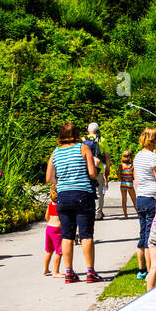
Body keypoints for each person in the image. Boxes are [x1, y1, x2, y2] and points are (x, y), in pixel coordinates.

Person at [46, 121, 101, 284]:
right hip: (82, 194)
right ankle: (90, 272)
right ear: (77, 134)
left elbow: (49, 178)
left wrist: (63, 180)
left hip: (63, 197)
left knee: (67, 235)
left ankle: (69, 272)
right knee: (86, 234)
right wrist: (94, 166)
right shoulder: (83, 148)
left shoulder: (55, 152)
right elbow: (92, 173)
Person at [133, 128, 156, 281]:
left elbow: (137, 179)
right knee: (151, 238)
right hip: (152, 197)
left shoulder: (138, 156)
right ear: (154, 140)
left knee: (143, 233)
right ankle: (153, 272)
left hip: (141, 197)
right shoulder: (153, 158)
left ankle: (143, 269)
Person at [85, 122, 110, 220]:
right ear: (97, 130)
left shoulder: (83, 140)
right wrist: (107, 169)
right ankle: (98, 214)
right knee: (99, 193)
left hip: (86, 170)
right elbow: (107, 157)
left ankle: (88, 212)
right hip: (99, 170)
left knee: (87, 191)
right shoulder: (102, 140)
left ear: (88, 130)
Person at [43, 187, 62, 277]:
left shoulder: (50, 204)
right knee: (59, 251)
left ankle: (45, 269)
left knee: (49, 250)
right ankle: (56, 272)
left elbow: (47, 217)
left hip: (49, 228)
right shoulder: (61, 205)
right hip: (57, 230)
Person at [118, 150, 135, 219]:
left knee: (124, 200)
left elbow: (118, 174)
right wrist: (133, 179)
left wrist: (121, 179)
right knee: (134, 199)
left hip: (123, 183)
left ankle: (125, 215)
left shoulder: (121, 165)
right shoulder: (132, 165)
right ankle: (138, 213)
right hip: (130, 183)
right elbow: (134, 175)